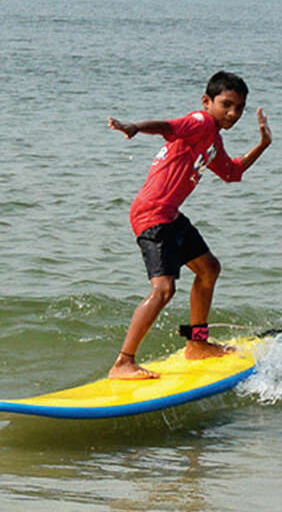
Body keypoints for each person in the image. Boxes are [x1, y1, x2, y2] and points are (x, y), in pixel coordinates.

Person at [106, 70, 272, 379]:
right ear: (207, 101)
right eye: (226, 104)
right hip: (153, 214)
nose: (233, 113)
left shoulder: (213, 139)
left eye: (240, 108)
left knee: (209, 269)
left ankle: (197, 346)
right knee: (163, 289)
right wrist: (134, 128)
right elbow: (168, 127)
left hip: (170, 215)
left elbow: (232, 172)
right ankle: (123, 363)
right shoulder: (200, 122)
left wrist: (263, 144)